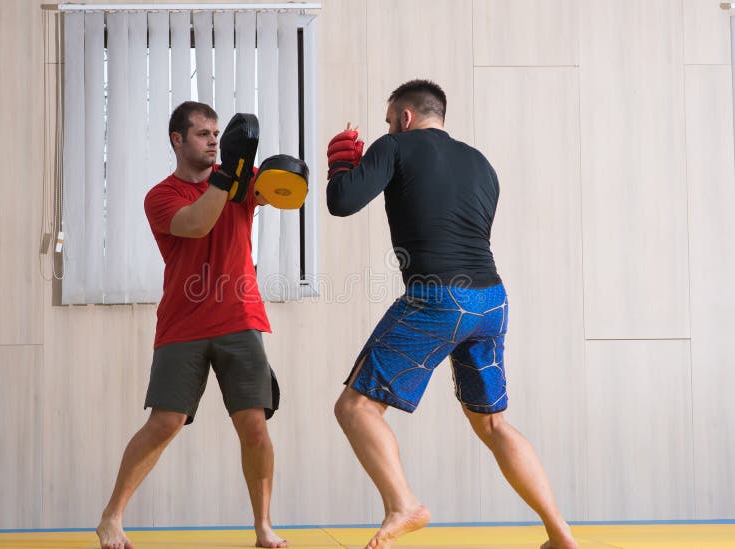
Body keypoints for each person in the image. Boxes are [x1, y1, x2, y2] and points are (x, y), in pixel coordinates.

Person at [326, 80, 578, 549]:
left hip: (439, 299)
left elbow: (341, 203)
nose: (387, 129)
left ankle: (403, 504)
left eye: (388, 121)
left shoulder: (394, 146)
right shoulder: (481, 163)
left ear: (404, 117)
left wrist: (342, 164)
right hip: (492, 301)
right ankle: (560, 533)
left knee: (355, 408)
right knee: (492, 422)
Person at [96, 101, 288, 549]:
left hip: (239, 317)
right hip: (183, 323)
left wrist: (314, 168)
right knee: (165, 421)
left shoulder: (242, 180)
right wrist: (228, 177)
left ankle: (263, 527)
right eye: (202, 133)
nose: (214, 140)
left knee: (254, 426)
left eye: (217, 133)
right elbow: (198, 225)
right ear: (177, 140)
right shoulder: (161, 196)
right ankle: (111, 517)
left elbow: (287, 194)